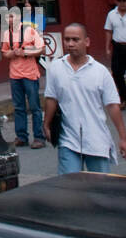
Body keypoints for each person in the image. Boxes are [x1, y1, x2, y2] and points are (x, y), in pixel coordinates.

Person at [44, 22, 126, 174]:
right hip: (68, 140)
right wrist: (47, 124)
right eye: (67, 40)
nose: (70, 44)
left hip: (97, 140)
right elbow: (51, 99)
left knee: (99, 189)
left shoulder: (100, 72)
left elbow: (113, 106)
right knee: (69, 189)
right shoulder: (55, 68)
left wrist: (123, 138)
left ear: (87, 42)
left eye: (75, 40)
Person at [1, 4, 45, 148]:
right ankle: (21, 137)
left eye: (12, 16)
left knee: (34, 107)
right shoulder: (7, 33)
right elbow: (4, 52)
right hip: (15, 75)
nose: (9, 19)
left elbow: (41, 49)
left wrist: (25, 52)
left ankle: (39, 137)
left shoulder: (30, 30)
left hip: (30, 74)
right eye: (8, 16)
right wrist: (13, 53)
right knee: (18, 107)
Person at [103, 0, 126, 108]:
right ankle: (123, 98)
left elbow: (40, 27)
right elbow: (108, 31)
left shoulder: (38, 14)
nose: (122, 3)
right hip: (118, 46)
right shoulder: (111, 14)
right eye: (120, 0)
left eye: (124, 0)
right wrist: (107, 47)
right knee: (117, 73)